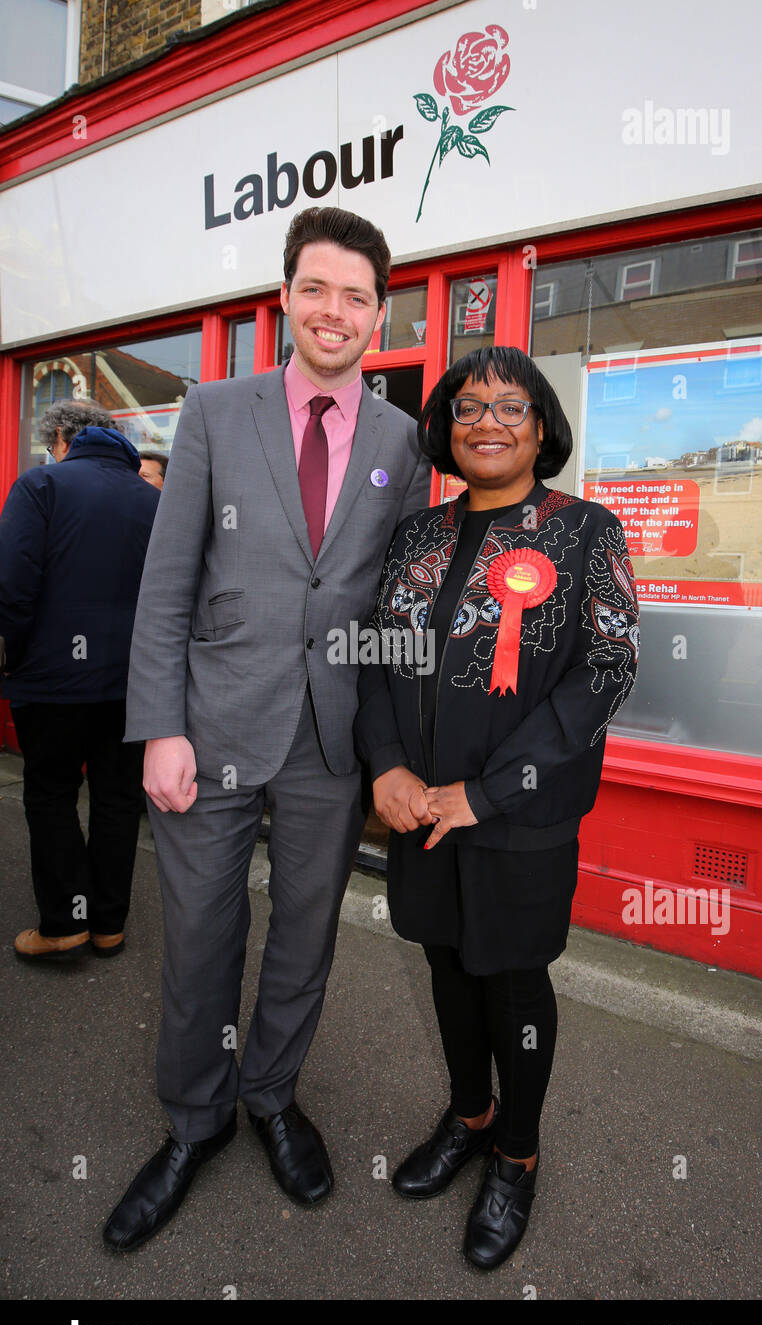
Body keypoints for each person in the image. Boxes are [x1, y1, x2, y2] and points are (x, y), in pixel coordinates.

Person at [102, 206, 430, 1252]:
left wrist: (399, 749)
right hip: (209, 726)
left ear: (380, 313)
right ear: (285, 297)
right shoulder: (212, 409)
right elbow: (165, 584)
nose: (336, 312)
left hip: (330, 741)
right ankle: (194, 1120)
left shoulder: (401, 439)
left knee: (304, 938)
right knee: (200, 937)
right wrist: (158, 725)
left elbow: (395, 602)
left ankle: (272, 1096)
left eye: (357, 296)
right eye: (318, 289)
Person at [355, 346, 639, 1270]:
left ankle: (516, 1154)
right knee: (445, 962)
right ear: (444, 430)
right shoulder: (416, 536)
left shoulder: (586, 531)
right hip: (418, 810)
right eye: (468, 407)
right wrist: (387, 767)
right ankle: (469, 1115)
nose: (486, 422)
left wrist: (484, 793)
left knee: (513, 981)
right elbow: (377, 656)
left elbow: (608, 668)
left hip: (521, 814)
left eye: (510, 407)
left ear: (543, 427)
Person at [0, 400, 160, 961]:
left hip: (52, 682)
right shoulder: (153, 500)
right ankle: (107, 926)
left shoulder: (41, 486)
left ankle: (65, 922)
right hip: (132, 685)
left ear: (64, 437)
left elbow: (13, 588)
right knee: (118, 801)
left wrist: (14, 659)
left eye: (52, 445)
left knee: (51, 796)